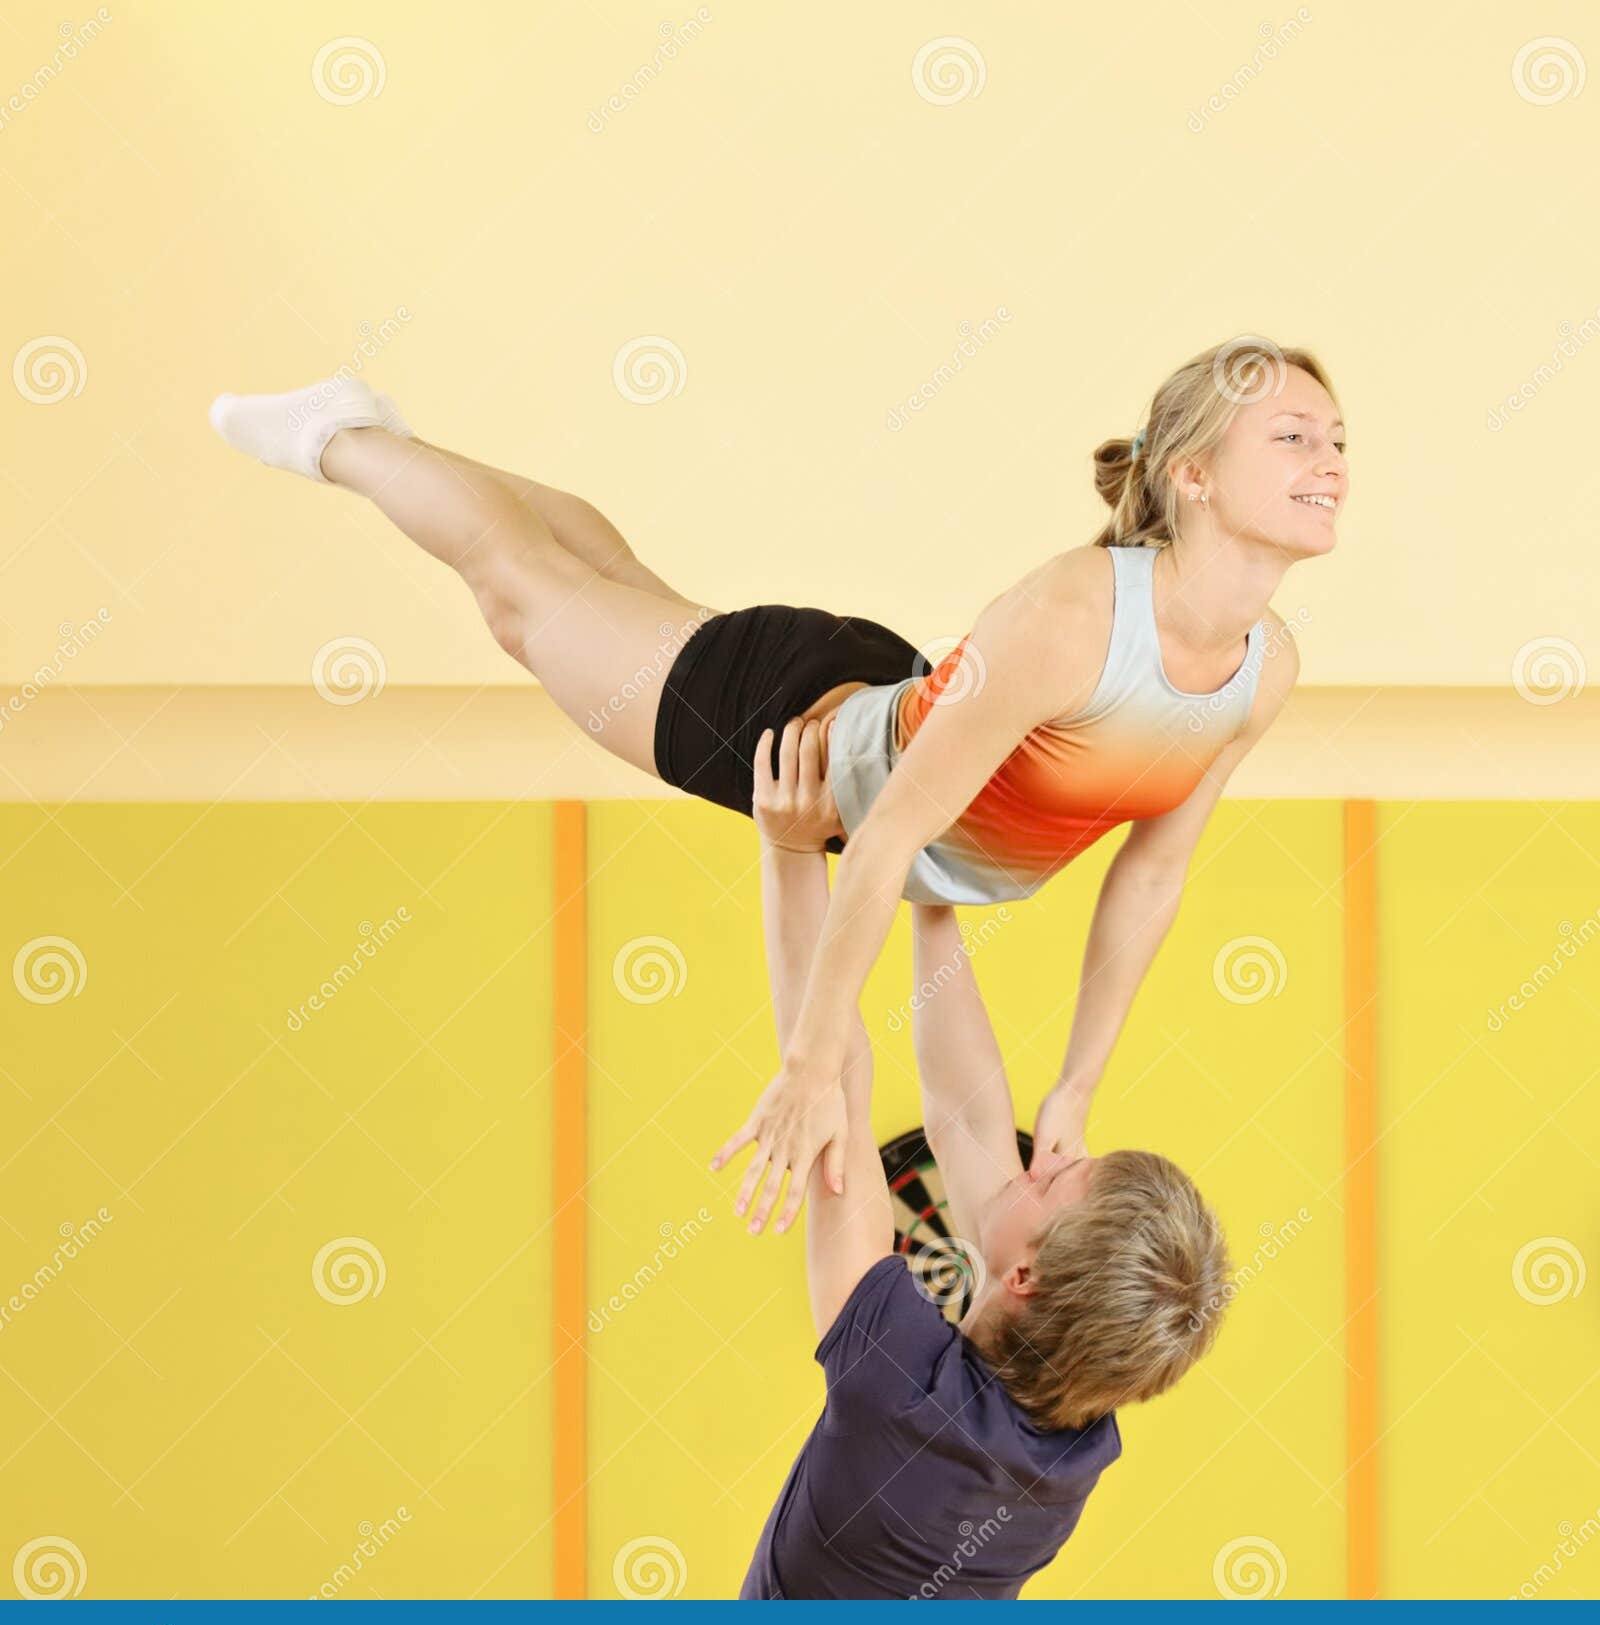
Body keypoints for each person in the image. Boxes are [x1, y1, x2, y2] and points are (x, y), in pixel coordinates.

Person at [208, 334, 1345, 1228]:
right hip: (790, 732)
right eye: (1294, 437)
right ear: (1191, 473)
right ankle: (344, 443)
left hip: (862, 693)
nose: (1331, 460)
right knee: (522, 595)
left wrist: (1075, 1089)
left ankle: (405, 449)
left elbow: (1151, 876)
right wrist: (808, 1058)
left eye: (1337, 439)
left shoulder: (1264, 667)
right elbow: (895, 832)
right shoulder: (1080, 611)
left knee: (597, 581)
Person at [740, 716, 1230, 1599]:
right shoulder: (1070, 1443)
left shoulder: (901, 1398)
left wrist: (787, 846)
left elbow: (836, 1095)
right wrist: (930, 884)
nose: (1037, 1161)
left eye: (1049, 1180)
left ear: (1028, 1278)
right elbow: (965, 1121)